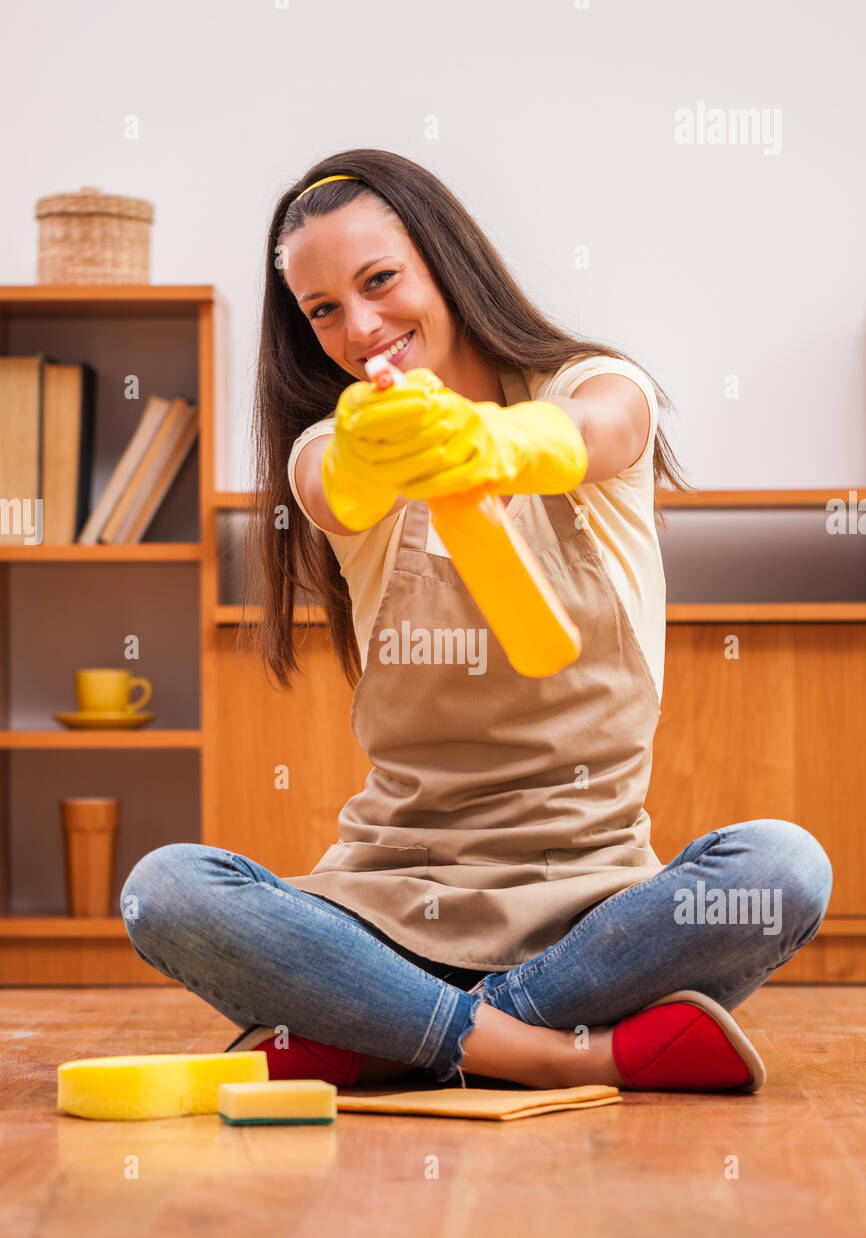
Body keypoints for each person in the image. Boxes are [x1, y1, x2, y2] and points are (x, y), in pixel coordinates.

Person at [121, 150, 833, 1095]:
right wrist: (388, 452)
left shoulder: (592, 385)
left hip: (592, 909)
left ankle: (391, 1033)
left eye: (380, 281)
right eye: (322, 309)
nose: (359, 328)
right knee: (165, 890)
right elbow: (335, 488)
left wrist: (490, 444)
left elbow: (602, 429)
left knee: (784, 868)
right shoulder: (336, 443)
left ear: (444, 261)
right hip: (384, 908)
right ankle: (558, 1052)